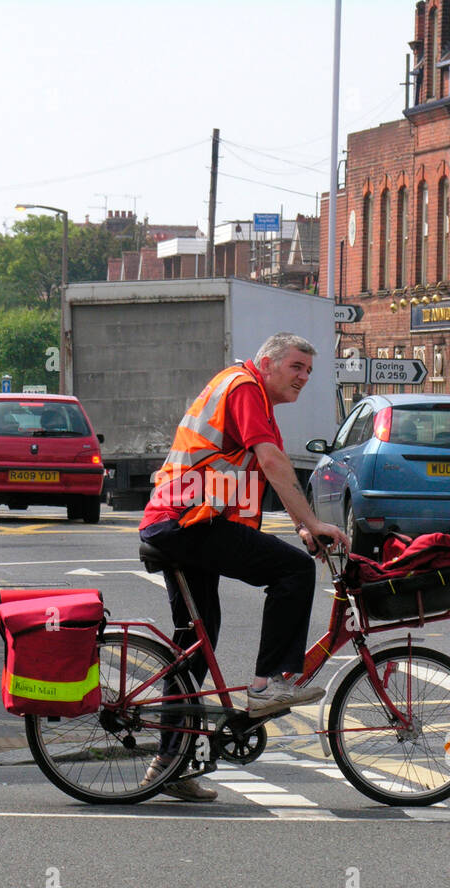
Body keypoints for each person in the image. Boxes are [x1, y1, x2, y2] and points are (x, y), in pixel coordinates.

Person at [138, 332, 349, 801]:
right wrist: (313, 522)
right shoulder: (244, 388)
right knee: (293, 571)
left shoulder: (249, 393)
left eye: (309, 371)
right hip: (185, 524)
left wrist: (302, 526)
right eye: (296, 367)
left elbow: (261, 471)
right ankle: (267, 685)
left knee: (195, 643)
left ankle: (168, 764)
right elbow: (272, 461)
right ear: (268, 364)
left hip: (184, 522)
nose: (304, 378)